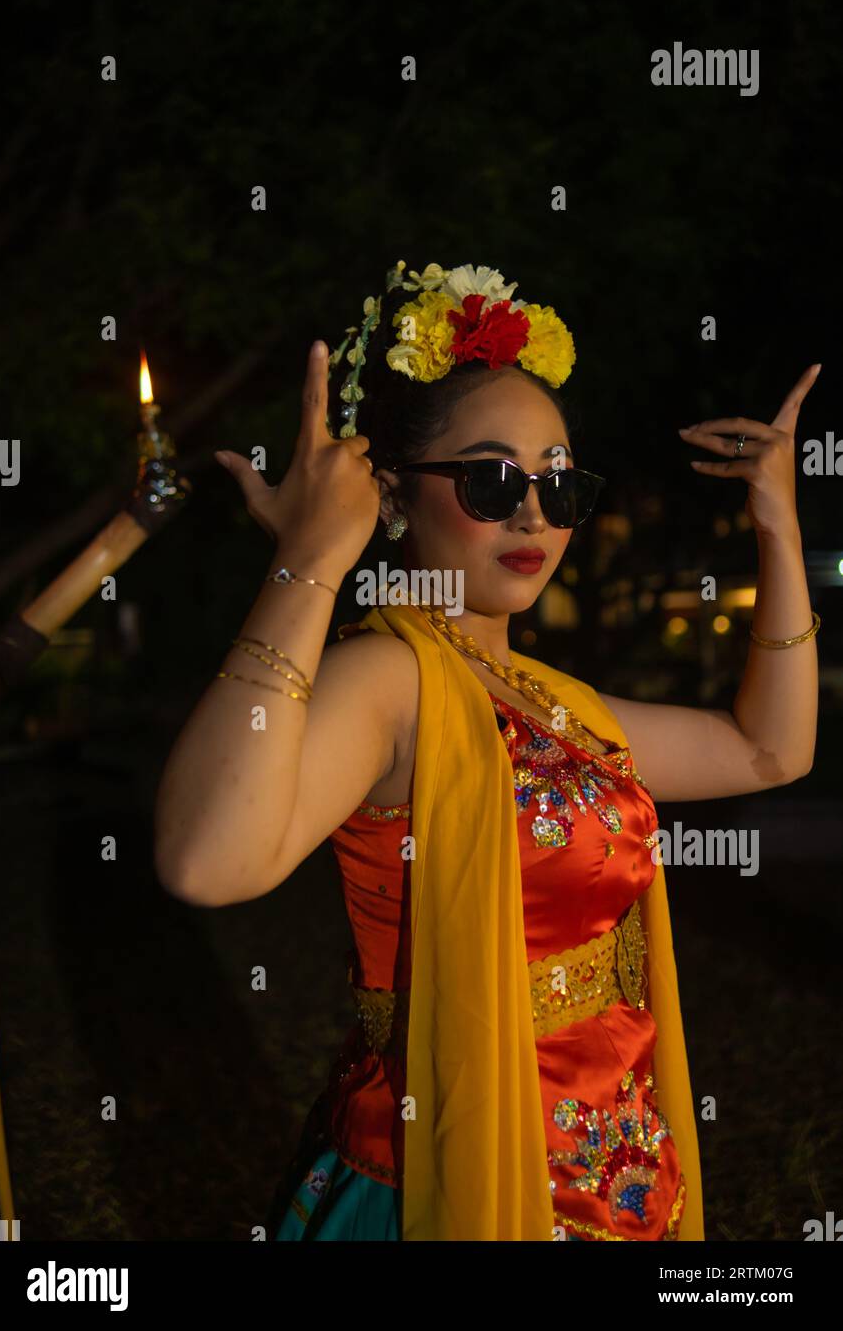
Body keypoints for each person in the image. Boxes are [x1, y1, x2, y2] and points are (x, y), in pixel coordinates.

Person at [153, 260, 820, 1242]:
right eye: (491, 478)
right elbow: (205, 861)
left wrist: (776, 521)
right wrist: (309, 559)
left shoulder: (555, 703)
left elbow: (766, 750)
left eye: (558, 483)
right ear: (390, 493)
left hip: (614, 1175)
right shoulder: (388, 679)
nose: (531, 515)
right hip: (450, 1174)